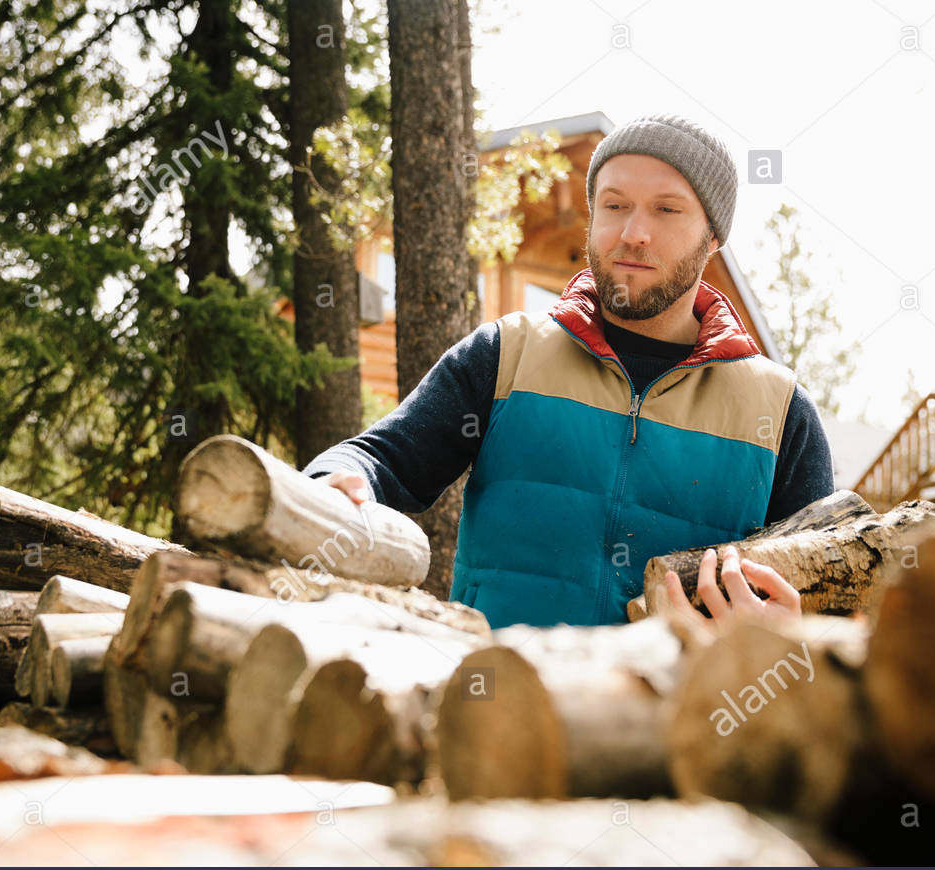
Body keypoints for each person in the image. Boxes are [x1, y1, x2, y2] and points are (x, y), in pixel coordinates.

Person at [304, 114, 835, 628]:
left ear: (713, 237)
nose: (633, 233)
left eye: (667, 210)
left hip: (684, 717)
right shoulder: (504, 354)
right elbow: (379, 460)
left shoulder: (781, 413)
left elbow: (832, 608)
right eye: (614, 205)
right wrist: (332, 483)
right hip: (496, 704)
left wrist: (791, 635)